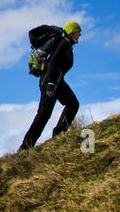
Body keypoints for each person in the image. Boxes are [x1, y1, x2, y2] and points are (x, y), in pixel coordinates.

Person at [19, 21, 81, 150]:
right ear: (72, 32)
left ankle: (59, 133)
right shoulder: (64, 43)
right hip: (50, 81)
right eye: (78, 32)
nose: (80, 34)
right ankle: (26, 146)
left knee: (72, 104)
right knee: (44, 114)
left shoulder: (66, 44)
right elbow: (52, 64)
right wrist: (51, 85)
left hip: (56, 81)